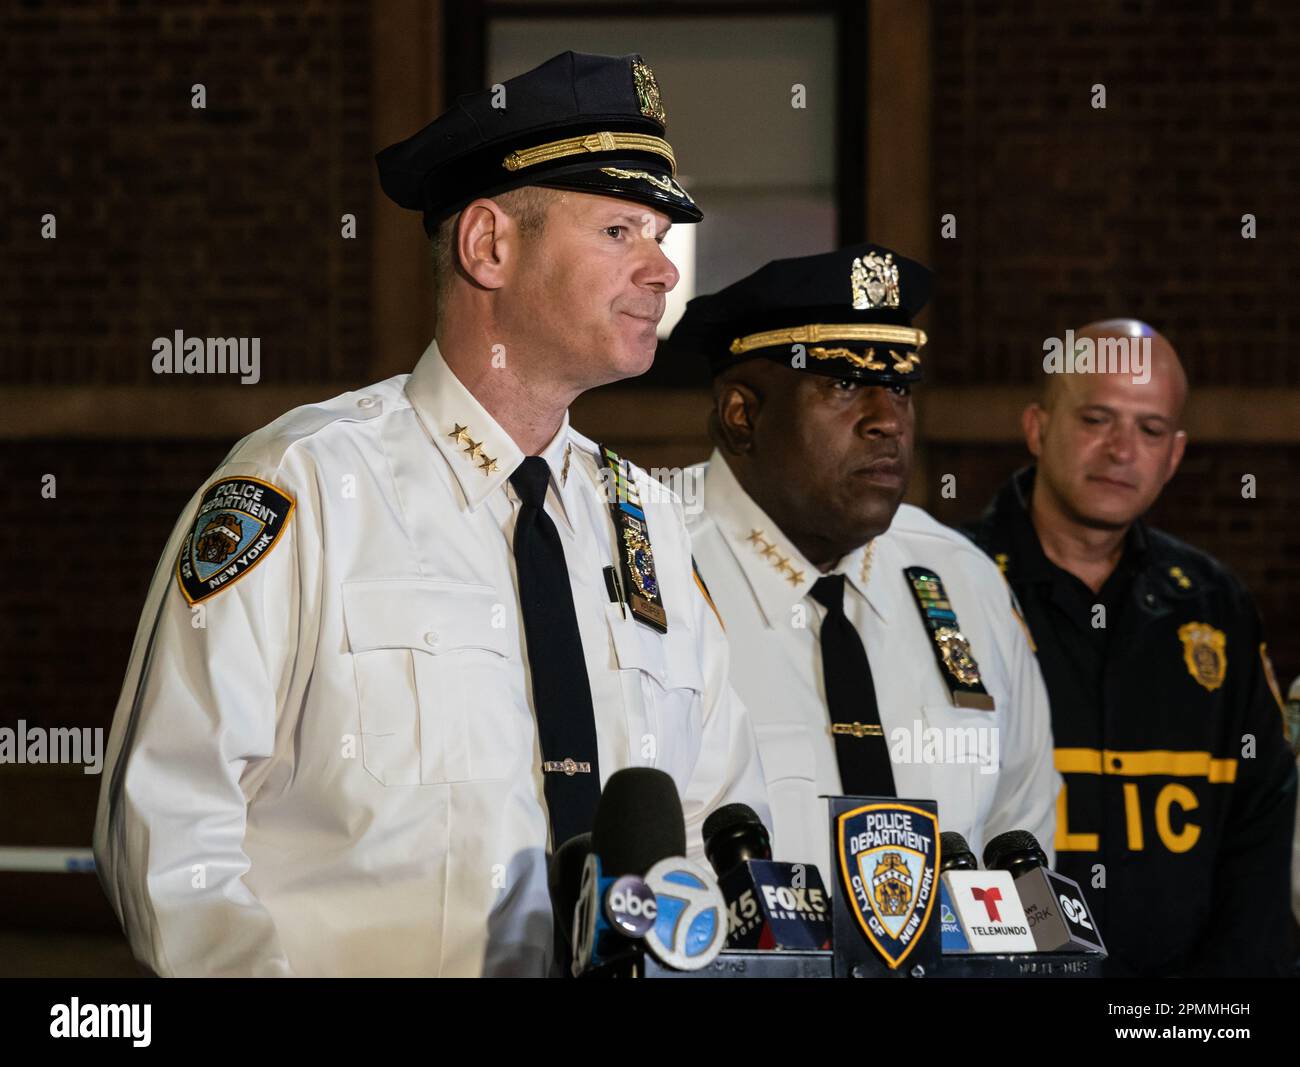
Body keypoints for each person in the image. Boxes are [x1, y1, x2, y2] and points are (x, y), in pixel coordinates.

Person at [92, 50, 768, 978]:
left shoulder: (646, 524)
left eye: (660, 234)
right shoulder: (304, 488)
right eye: (620, 229)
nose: (661, 270)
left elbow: (717, 815)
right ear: (487, 245)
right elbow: (169, 828)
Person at [673, 244, 1058, 887]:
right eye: (845, 384)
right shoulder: (644, 568)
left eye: (901, 387)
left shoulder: (964, 579)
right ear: (742, 415)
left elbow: (1021, 833)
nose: (888, 421)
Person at [963, 318, 1297, 976]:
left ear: (1174, 455)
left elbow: (1260, 823)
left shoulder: (1213, 602)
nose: (1122, 450)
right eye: (1096, 418)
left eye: (1149, 430)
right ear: (1037, 427)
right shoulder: (952, 583)